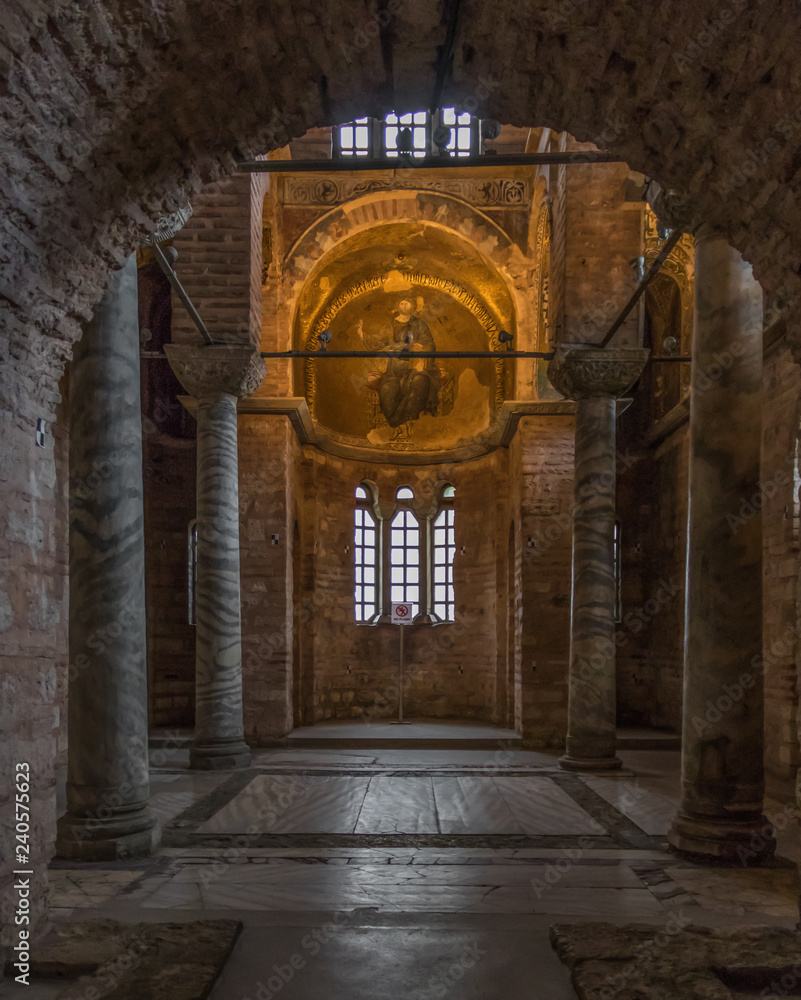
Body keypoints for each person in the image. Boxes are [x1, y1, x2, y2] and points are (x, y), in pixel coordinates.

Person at [360, 297, 448, 436]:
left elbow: (430, 344)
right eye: (401, 302)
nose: (404, 305)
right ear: (398, 305)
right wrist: (363, 335)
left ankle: (402, 424)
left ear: (412, 306)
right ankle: (399, 424)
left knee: (420, 382)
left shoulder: (420, 324)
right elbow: (380, 343)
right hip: (395, 371)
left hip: (417, 368)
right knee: (387, 390)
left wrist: (422, 347)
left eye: (407, 303)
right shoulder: (390, 324)